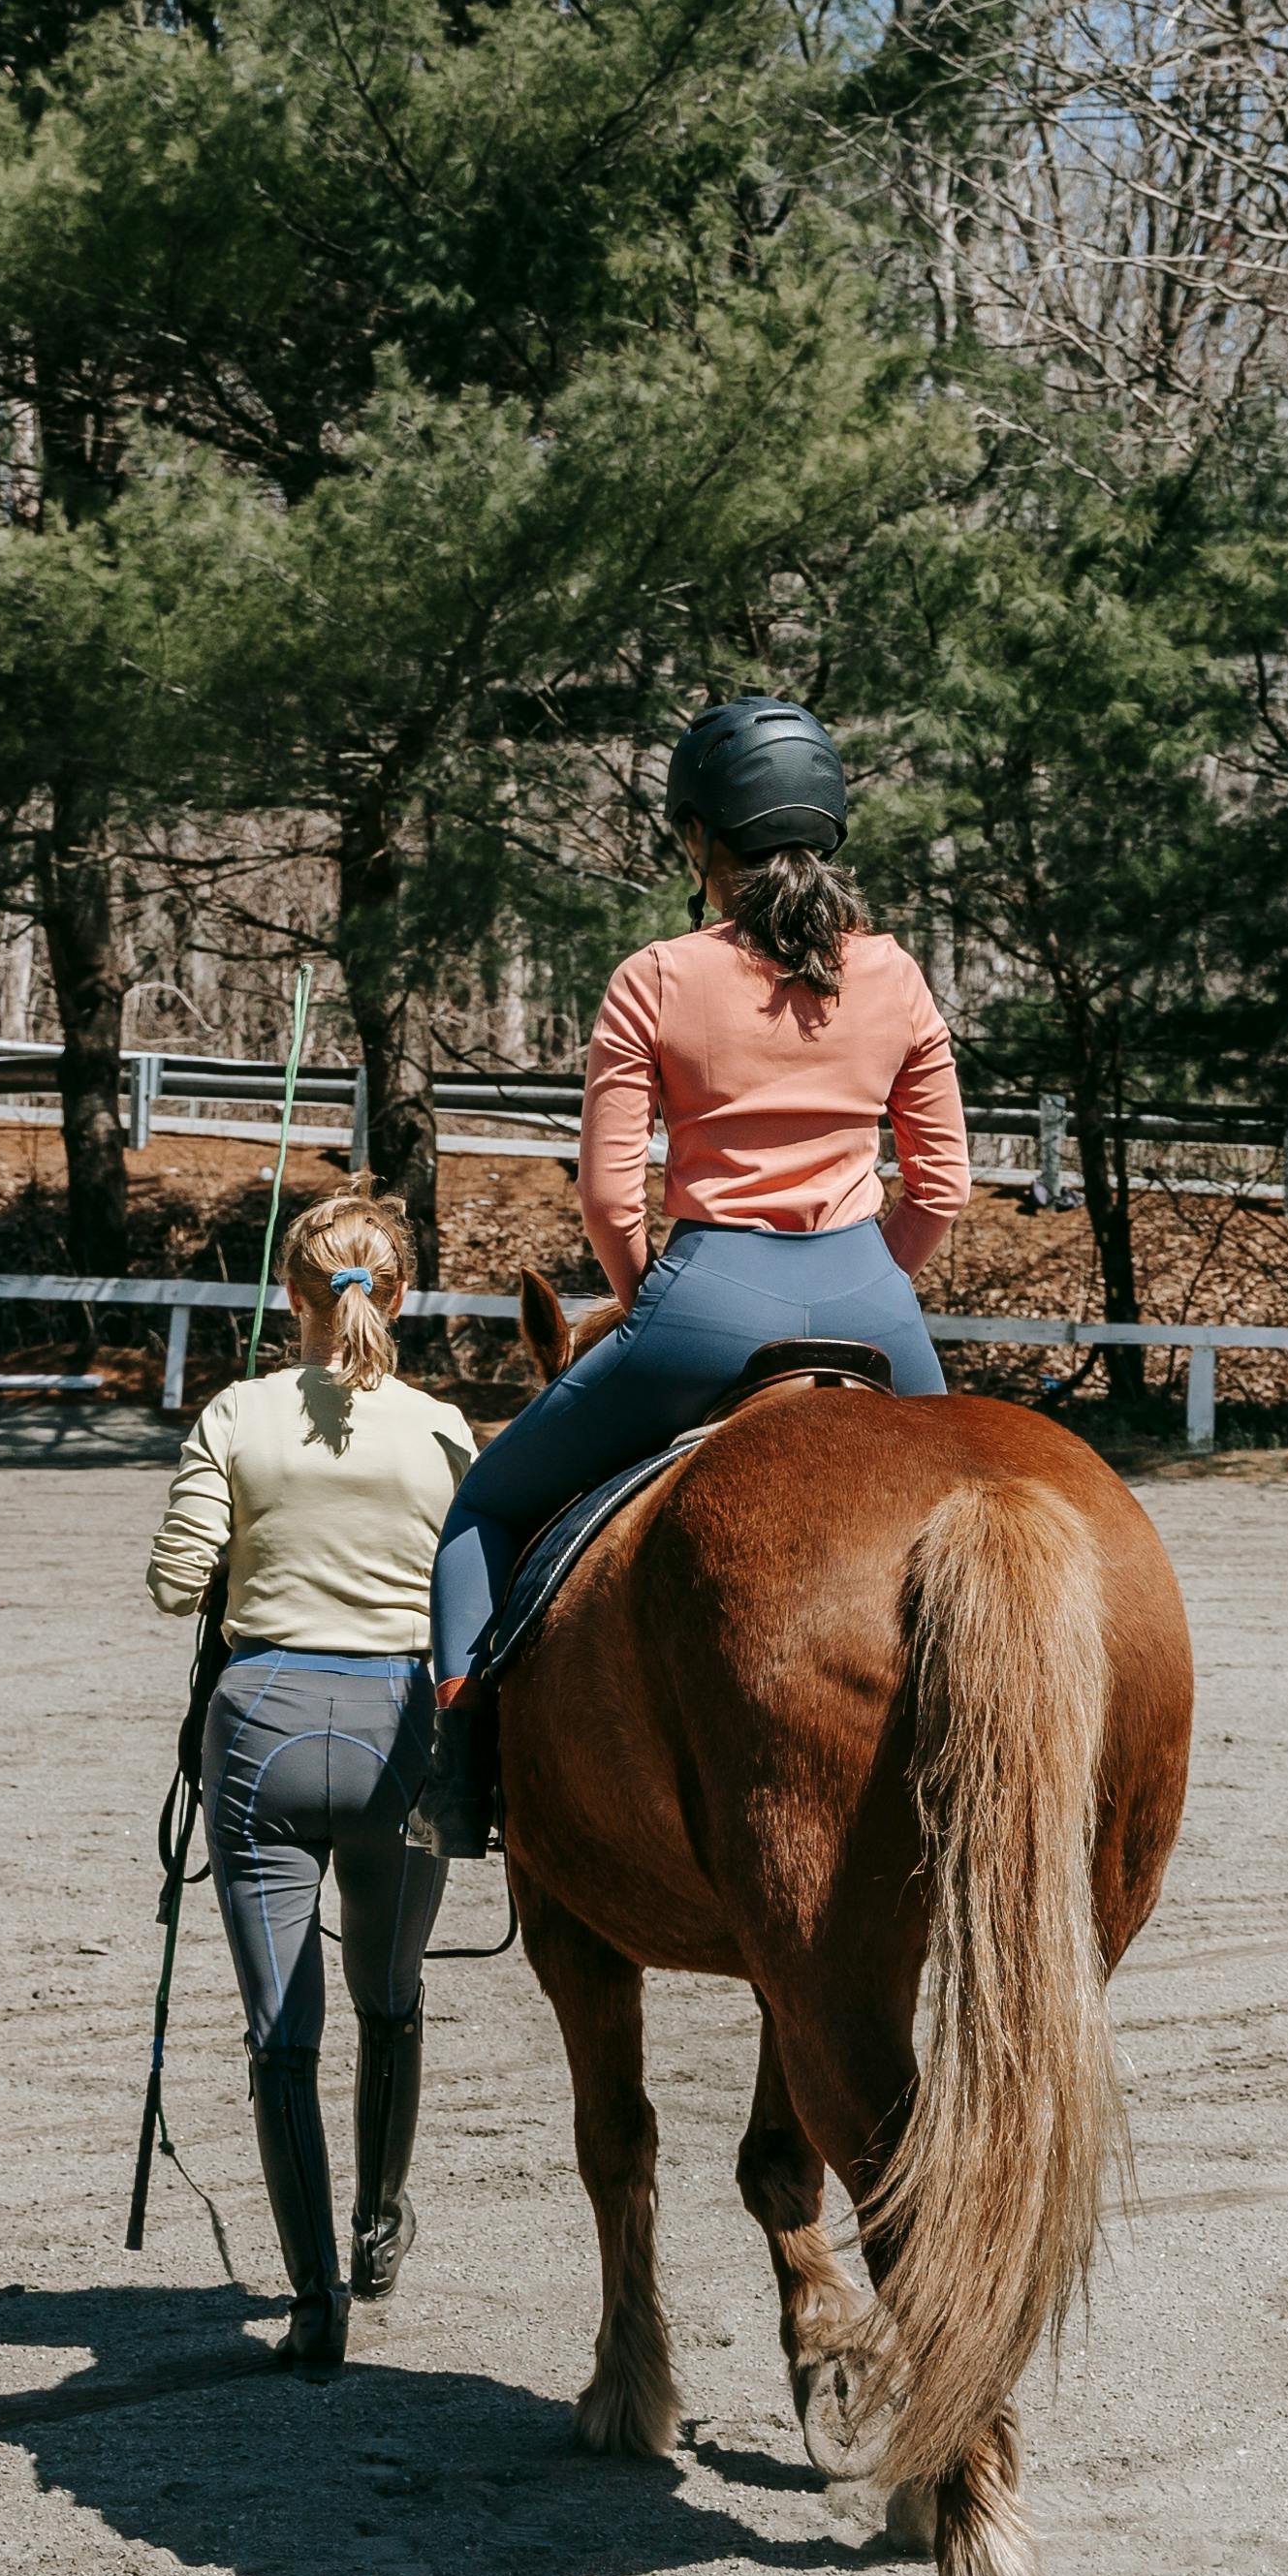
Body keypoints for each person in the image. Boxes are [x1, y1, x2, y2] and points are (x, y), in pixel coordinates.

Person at [426, 694, 966, 1816]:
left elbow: (608, 1193)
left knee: (485, 1503)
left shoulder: (658, 975)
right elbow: (943, 1185)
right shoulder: (897, 974)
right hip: (872, 1301)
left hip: (707, 1302)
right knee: (973, 1518)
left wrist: (648, 1302)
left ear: (699, 839)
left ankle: (462, 1776)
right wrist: (874, 1275)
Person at [146, 1193, 475, 2375]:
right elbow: (473, 1595)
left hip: (263, 1728)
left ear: (293, 1296)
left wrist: (250, 1542)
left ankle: (314, 2298)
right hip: (400, 1732)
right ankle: (381, 2222)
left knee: (282, 2033)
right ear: (399, 1295)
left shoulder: (237, 1411)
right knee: (389, 1993)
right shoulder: (444, 1428)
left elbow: (174, 1582)